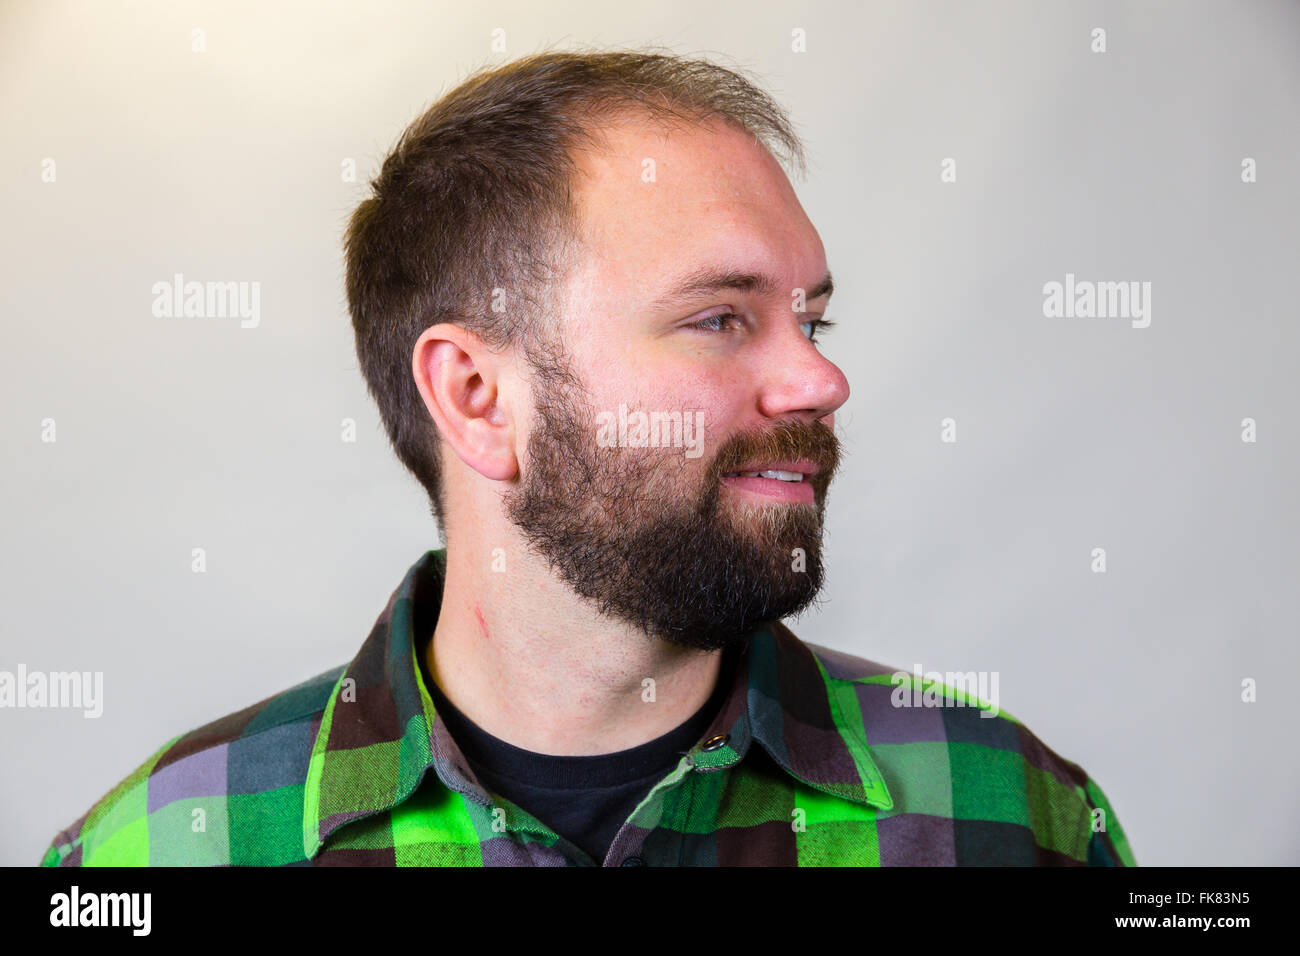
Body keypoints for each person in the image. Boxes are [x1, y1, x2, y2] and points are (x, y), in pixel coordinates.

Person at [41, 48, 1135, 867]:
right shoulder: (168, 848)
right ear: (477, 397)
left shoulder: (1006, 810)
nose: (818, 381)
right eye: (720, 318)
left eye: (814, 323)